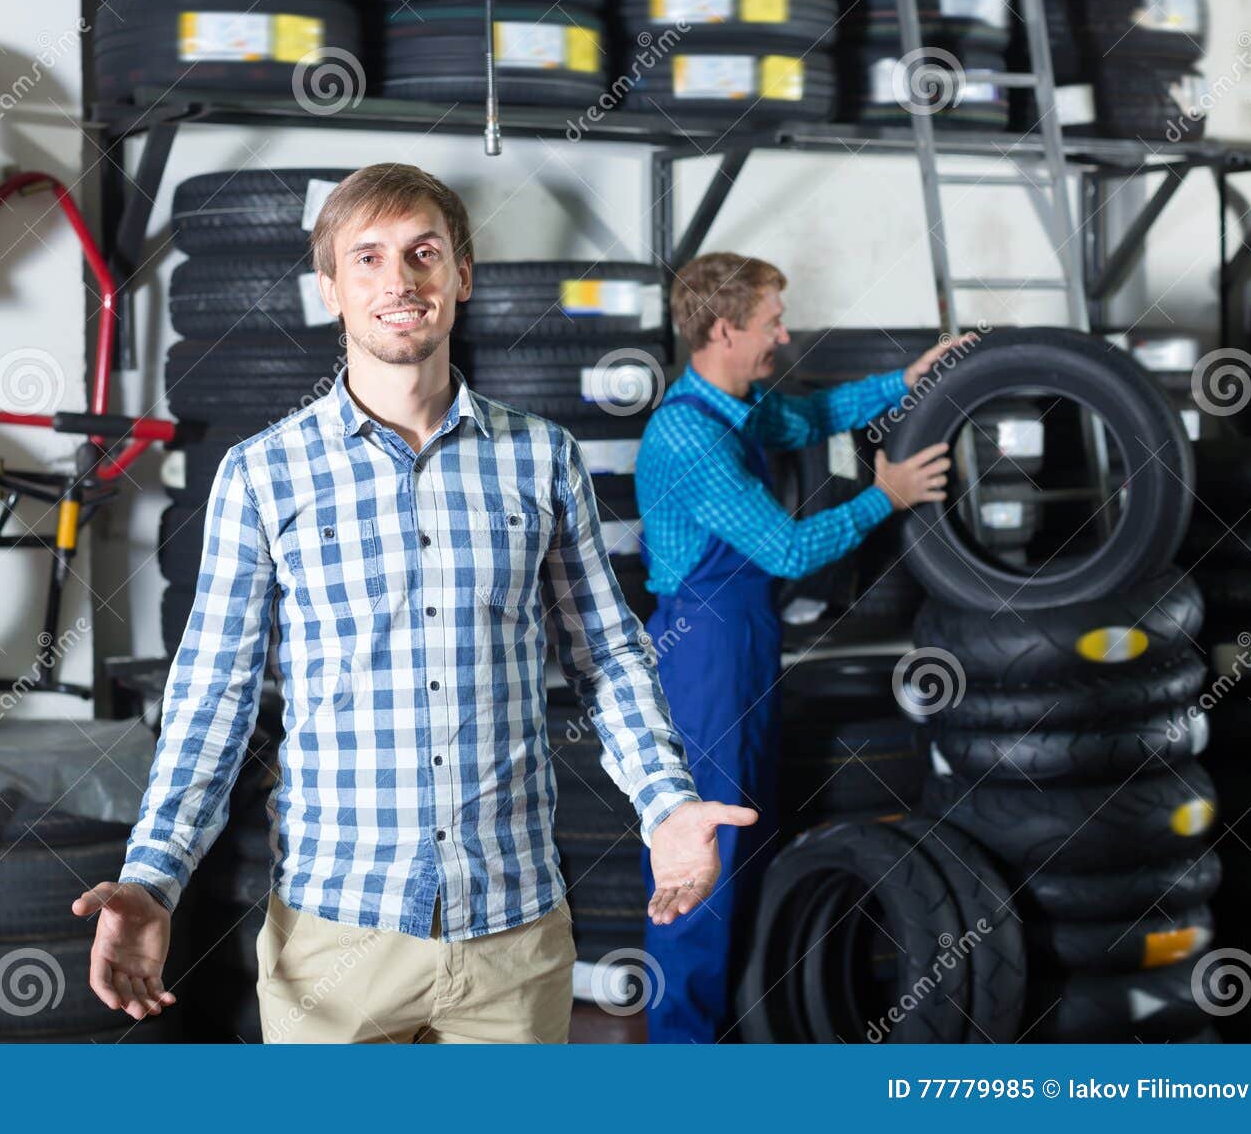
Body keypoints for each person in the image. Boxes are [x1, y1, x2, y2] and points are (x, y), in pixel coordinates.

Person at [72, 165, 760, 1044]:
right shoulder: (262, 473)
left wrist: (664, 802)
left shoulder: (541, 457)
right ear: (331, 288)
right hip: (334, 940)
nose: (398, 280)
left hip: (513, 936)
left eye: (422, 253)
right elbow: (213, 696)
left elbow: (609, 658)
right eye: (367, 258)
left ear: (461, 275)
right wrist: (153, 876)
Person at [634, 252, 965, 1044]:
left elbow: (812, 417)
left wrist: (905, 379)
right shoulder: (688, 433)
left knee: (750, 830)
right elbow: (786, 549)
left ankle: (733, 1030)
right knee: (703, 848)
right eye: (771, 322)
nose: (784, 335)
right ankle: (681, 1054)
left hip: (743, 638)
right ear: (724, 330)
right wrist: (887, 496)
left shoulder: (737, 406)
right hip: (702, 647)